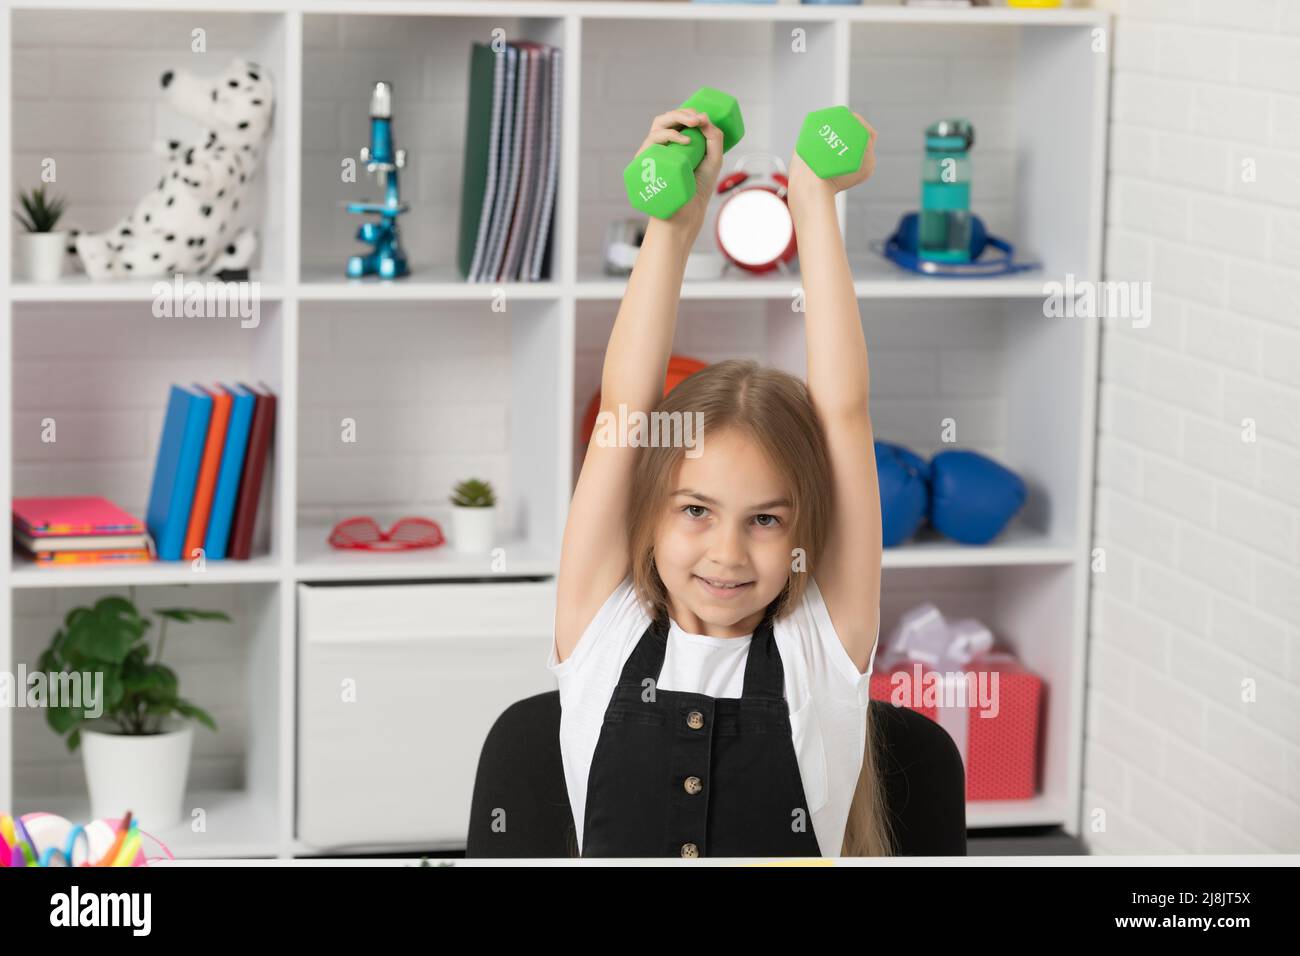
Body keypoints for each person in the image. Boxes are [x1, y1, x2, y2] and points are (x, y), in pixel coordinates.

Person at [549, 103, 888, 858]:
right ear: (649, 514)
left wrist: (812, 201)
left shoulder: (823, 649)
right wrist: (673, 224)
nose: (727, 554)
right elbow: (626, 406)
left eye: (766, 520)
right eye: (697, 509)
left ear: (806, 532)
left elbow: (844, 410)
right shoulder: (601, 631)